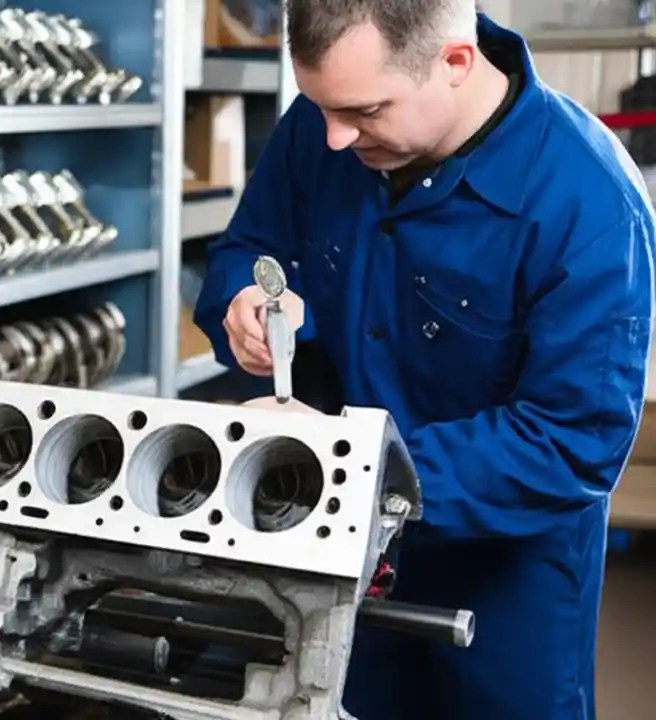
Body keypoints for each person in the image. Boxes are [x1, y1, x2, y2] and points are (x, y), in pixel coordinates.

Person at [193, 2, 656, 719]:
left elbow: (573, 443)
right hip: (331, 551)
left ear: (455, 63)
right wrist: (241, 305)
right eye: (317, 107)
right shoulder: (326, 124)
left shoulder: (589, 202)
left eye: (365, 111)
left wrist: (353, 473)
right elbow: (248, 252)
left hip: (505, 578)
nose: (335, 138)